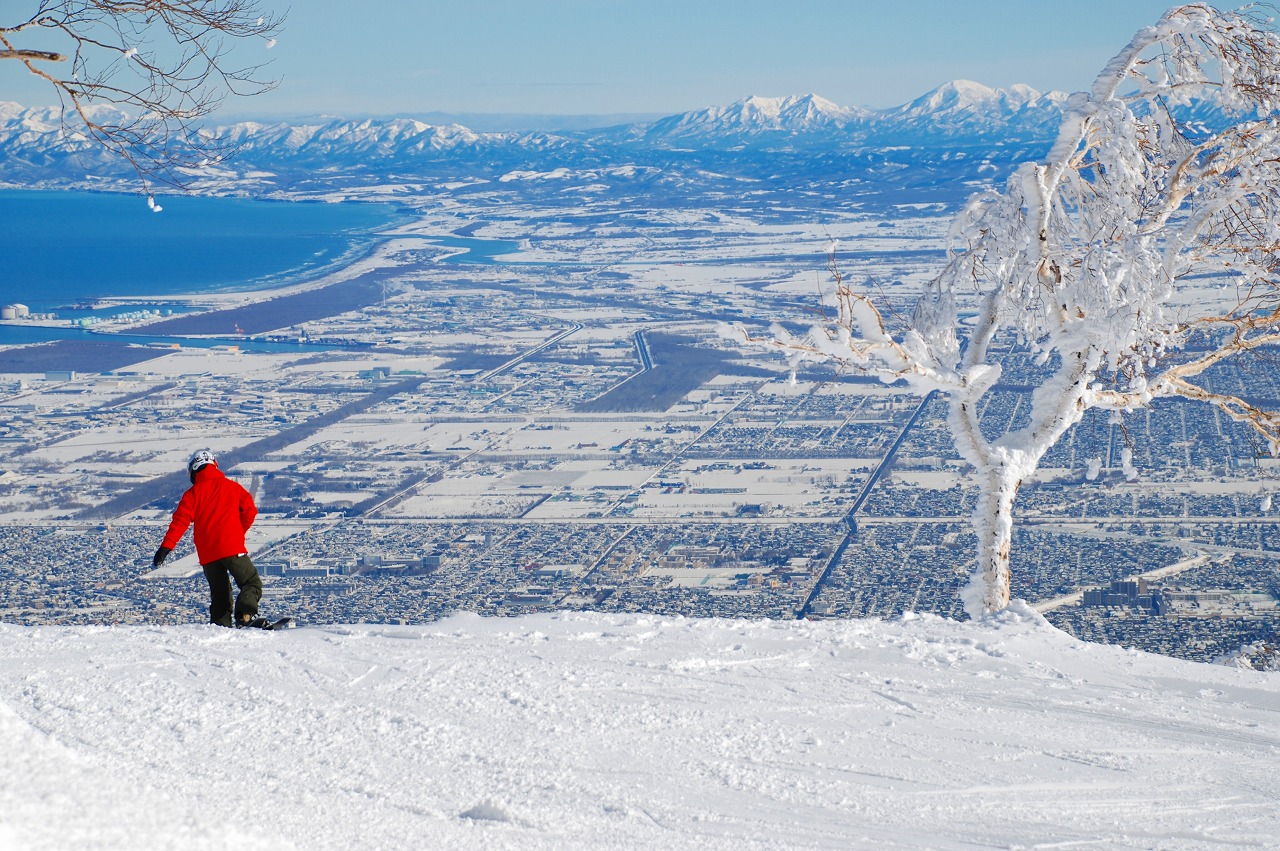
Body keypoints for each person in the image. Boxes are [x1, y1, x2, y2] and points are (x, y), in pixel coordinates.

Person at [153, 449, 266, 628]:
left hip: (207, 554)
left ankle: (220, 629)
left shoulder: (192, 494)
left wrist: (165, 548)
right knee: (250, 581)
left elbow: (179, 523)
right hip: (231, 547)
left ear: (193, 470)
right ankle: (246, 615)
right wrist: (237, 533)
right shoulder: (232, 487)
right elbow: (250, 512)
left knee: (220, 595)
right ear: (214, 465)